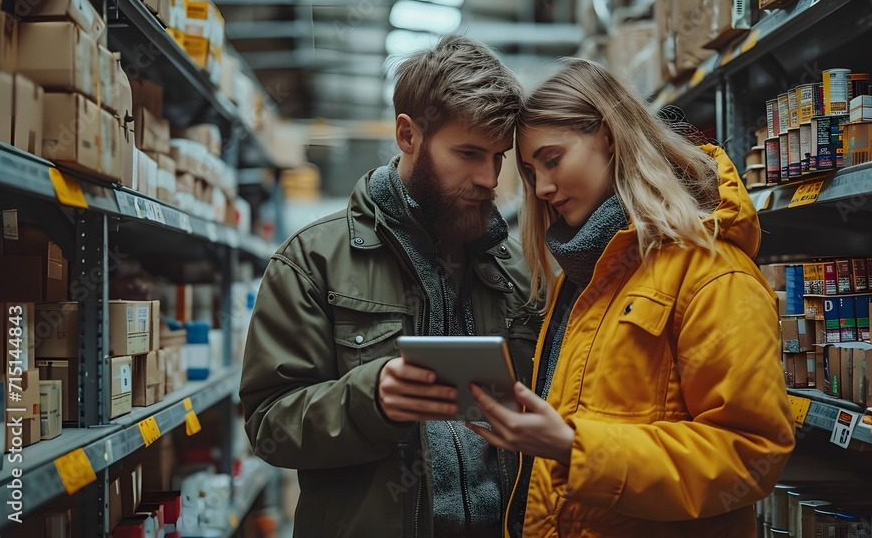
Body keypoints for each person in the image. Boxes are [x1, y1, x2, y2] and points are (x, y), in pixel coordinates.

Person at [468, 58, 795, 537]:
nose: (543, 188)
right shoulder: (580, 281)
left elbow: (750, 453)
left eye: (553, 160)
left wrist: (575, 447)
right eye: (531, 172)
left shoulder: (712, 273)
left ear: (609, 135)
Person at [239, 35, 543, 538]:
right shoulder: (312, 261)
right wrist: (371, 400)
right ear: (408, 135)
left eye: (499, 157)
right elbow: (270, 427)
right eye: (468, 153)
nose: (489, 177)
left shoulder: (513, 269)